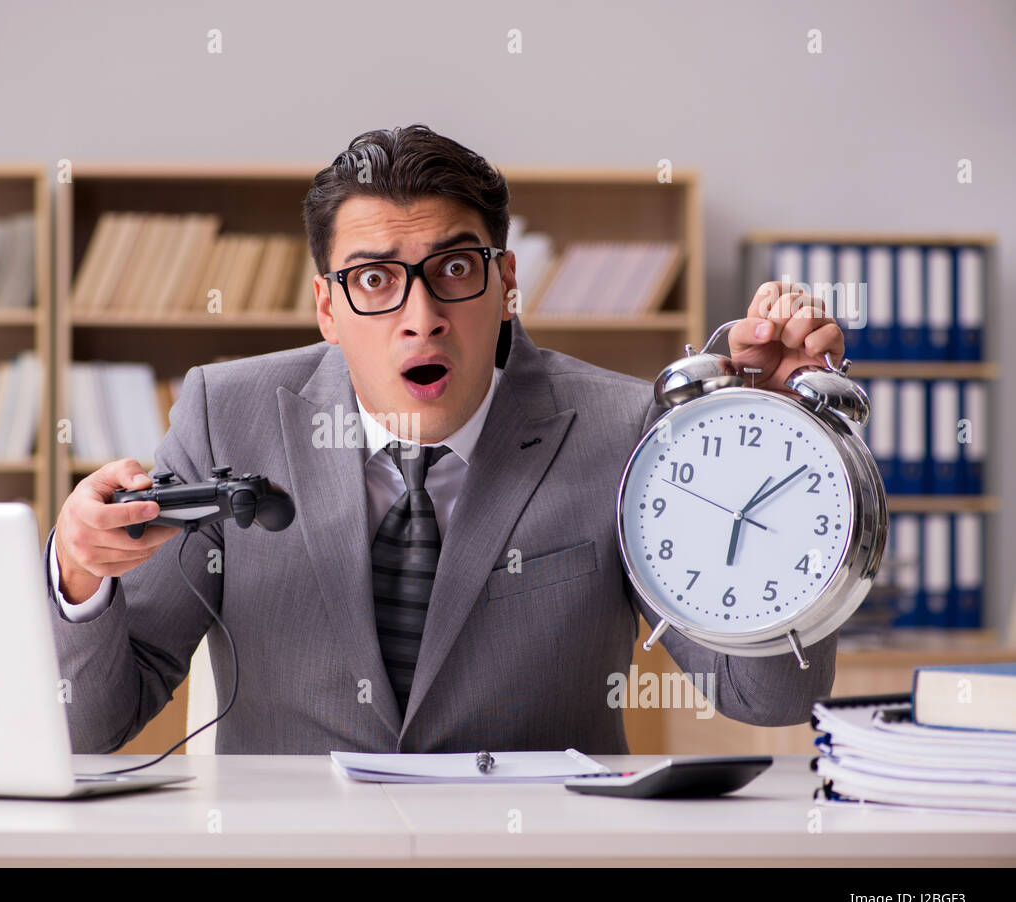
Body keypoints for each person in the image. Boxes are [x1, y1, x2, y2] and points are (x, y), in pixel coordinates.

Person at [45, 124, 843, 754]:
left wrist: (775, 443)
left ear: (506, 285)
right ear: (326, 306)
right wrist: (80, 574)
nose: (420, 316)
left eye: (455, 269)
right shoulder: (230, 412)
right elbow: (93, 725)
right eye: (375, 280)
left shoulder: (625, 430)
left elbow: (766, 700)